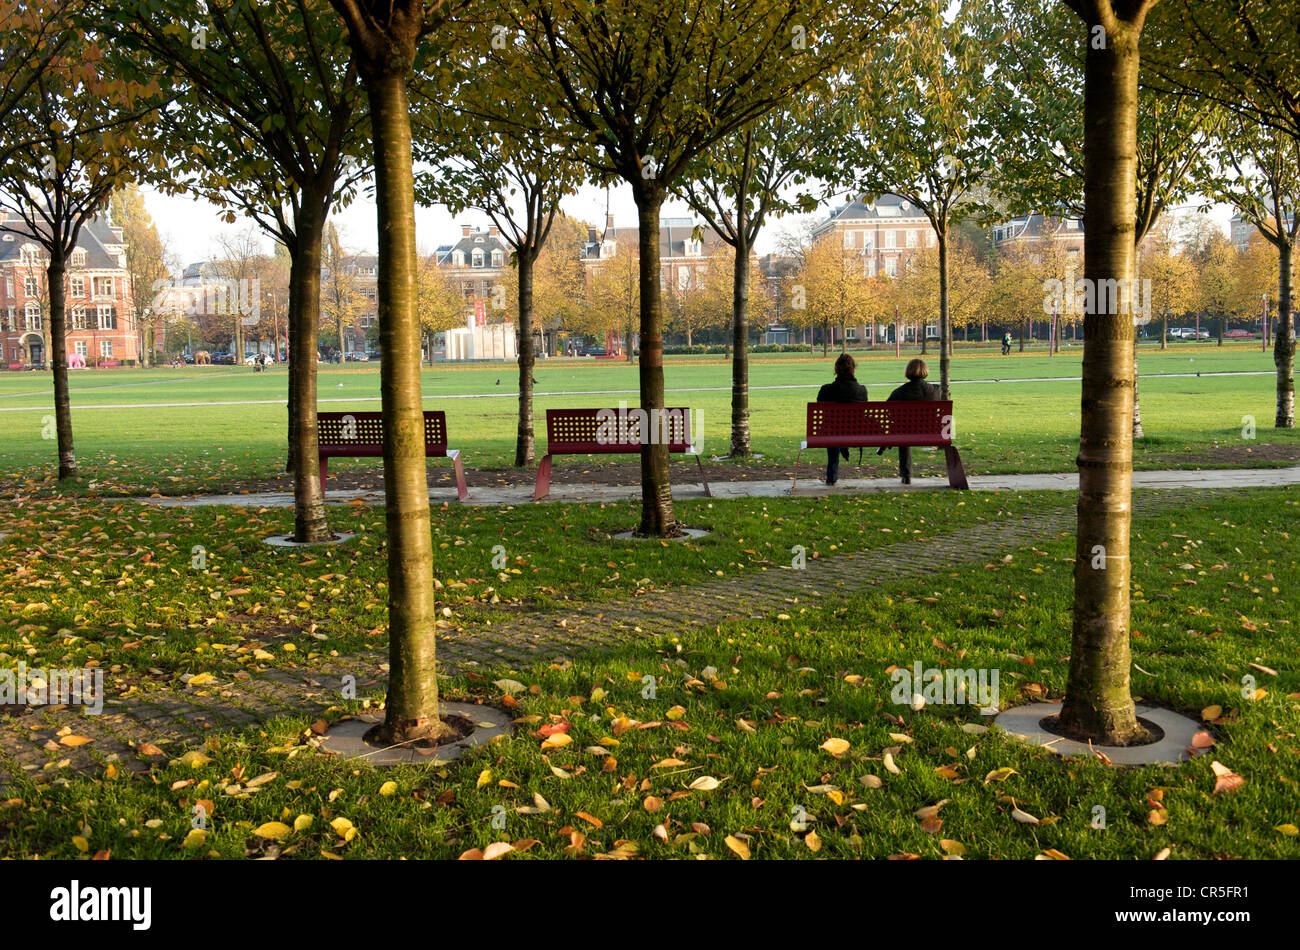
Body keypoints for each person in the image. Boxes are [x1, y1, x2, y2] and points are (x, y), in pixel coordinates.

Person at [880, 358, 939, 485]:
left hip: (905, 431)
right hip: (931, 431)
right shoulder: (934, 390)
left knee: (903, 431)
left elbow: (887, 410)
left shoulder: (899, 392)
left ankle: (906, 475)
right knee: (903, 429)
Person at [816, 352, 867, 485]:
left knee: (831, 428)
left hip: (832, 431)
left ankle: (831, 477)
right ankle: (843, 445)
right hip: (855, 431)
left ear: (836, 369)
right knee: (838, 428)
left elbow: (819, 407)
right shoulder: (862, 390)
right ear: (853, 369)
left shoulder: (826, 390)